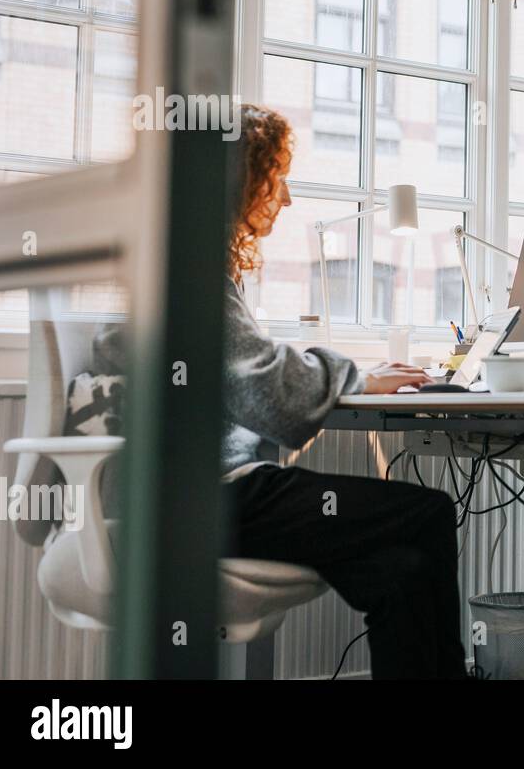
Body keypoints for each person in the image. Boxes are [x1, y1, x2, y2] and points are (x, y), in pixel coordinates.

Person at [100, 105, 467, 679]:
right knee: (429, 511)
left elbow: (249, 371)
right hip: (197, 497)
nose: (288, 198)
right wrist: (356, 376)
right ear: (240, 180)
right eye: (277, 178)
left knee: (400, 567)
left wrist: (347, 375)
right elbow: (269, 395)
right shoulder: (189, 273)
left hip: (191, 490)